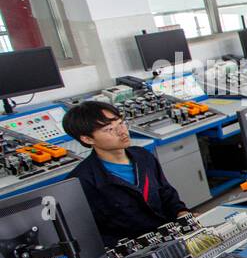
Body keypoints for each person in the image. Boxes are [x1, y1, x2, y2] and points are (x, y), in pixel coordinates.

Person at [63, 100, 192, 244]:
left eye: (121, 123)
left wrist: (182, 213)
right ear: (87, 139)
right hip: (134, 252)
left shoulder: (143, 156)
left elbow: (166, 192)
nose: (122, 131)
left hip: (171, 235)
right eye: (109, 129)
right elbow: (90, 233)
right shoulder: (82, 181)